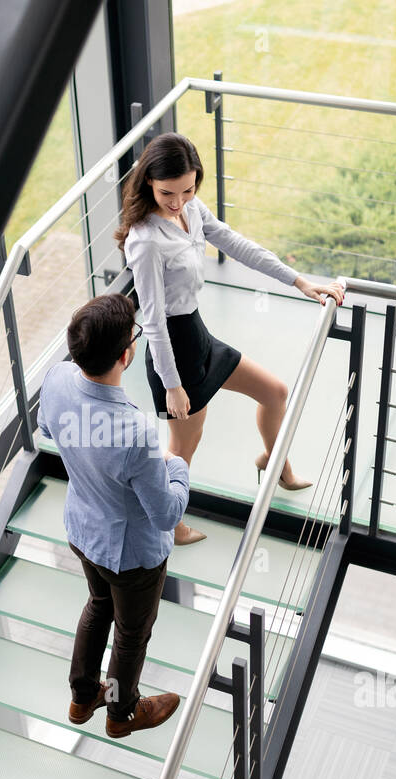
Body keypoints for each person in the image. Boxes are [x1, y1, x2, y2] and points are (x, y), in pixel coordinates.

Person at [115, 132, 346, 545]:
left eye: (188, 189)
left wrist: (299, 282)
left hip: (198, 334)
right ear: (148, 180)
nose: (178, 201)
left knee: (275, 393)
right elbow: (152, 321)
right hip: (174, 352)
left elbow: (237, 245)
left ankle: (274, 465)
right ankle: (165, 521)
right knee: (183, 450)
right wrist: (172, 385)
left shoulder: (189, 209)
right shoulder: (146, 240)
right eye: (168, 192)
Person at [37, 293, 189, 739]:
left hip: (83, 533)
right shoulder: (137, 432)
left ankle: (82, 696)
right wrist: (176, 465)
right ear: (127, 353)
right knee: (130, 635)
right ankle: (122, 713)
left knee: (97, 604)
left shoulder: (57, 379)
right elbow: (165, 515)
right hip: (132, 556)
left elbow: (48, 429)